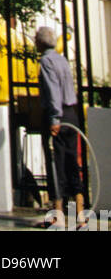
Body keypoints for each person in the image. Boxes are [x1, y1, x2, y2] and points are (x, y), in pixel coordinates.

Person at [35, 26, 85, 228]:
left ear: (39, 42)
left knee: (56, 164)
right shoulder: (62, 58)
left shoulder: (46, 61)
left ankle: (58, 216)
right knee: (73, 162)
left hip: (57, 115)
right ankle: (81, 216)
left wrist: (54, 119)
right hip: (72, 114)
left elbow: (53, 90)